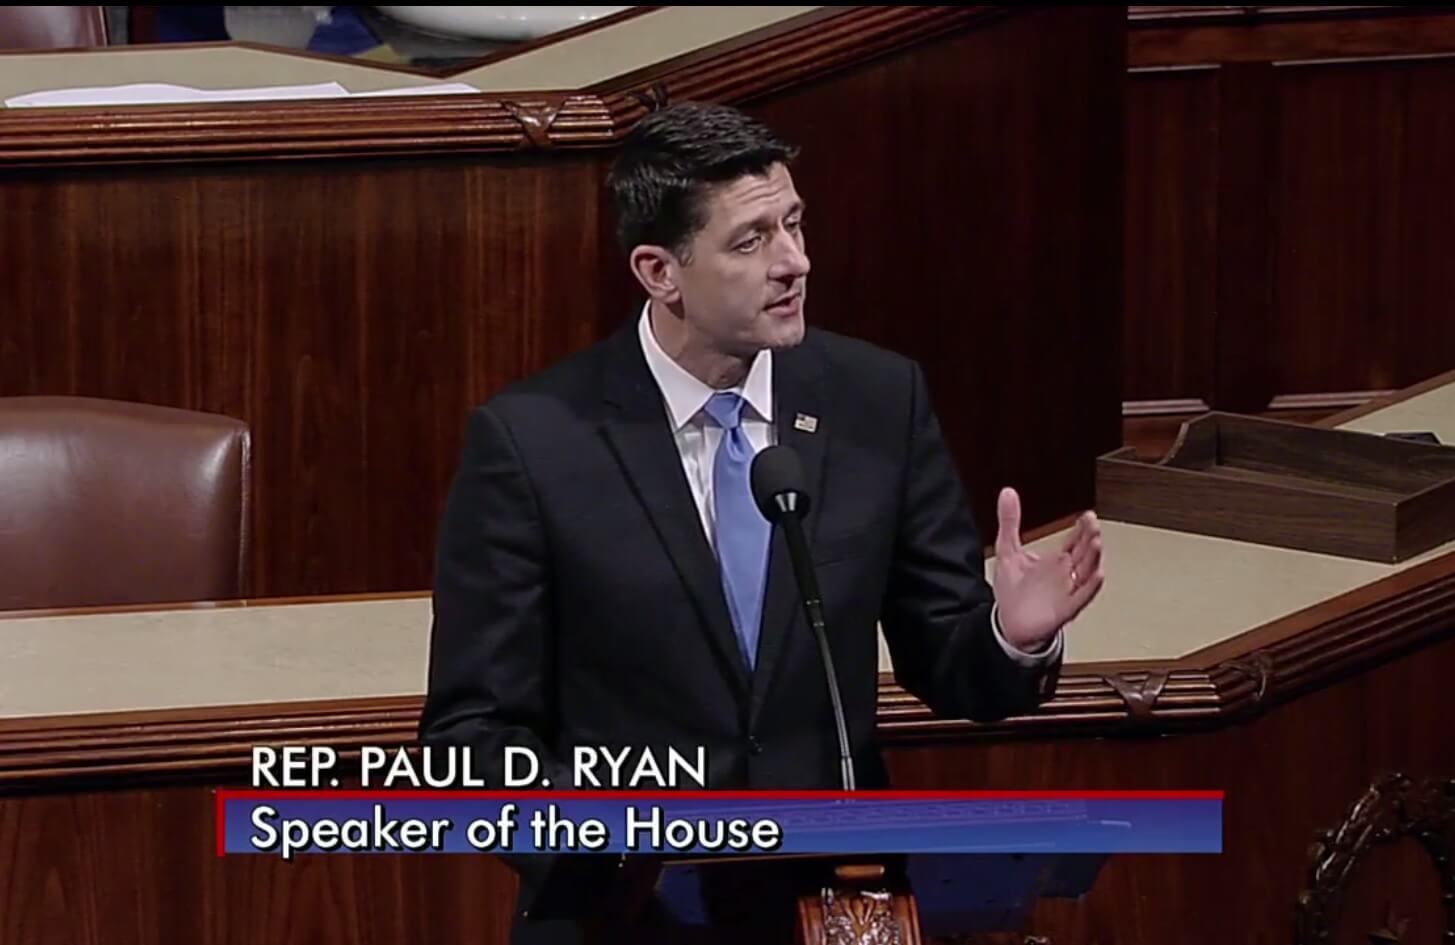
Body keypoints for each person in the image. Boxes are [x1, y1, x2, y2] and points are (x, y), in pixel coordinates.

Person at [419, 101, 1106, 940]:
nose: (795, 262)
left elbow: (949, 663)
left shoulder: (876, 401)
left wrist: (1008, 633)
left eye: (794, 224)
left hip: (836, 903)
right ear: (657, 271)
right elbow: (471, 737)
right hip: (627, 914)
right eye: (750, 241)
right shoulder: (534, 442)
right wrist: (612, 845)